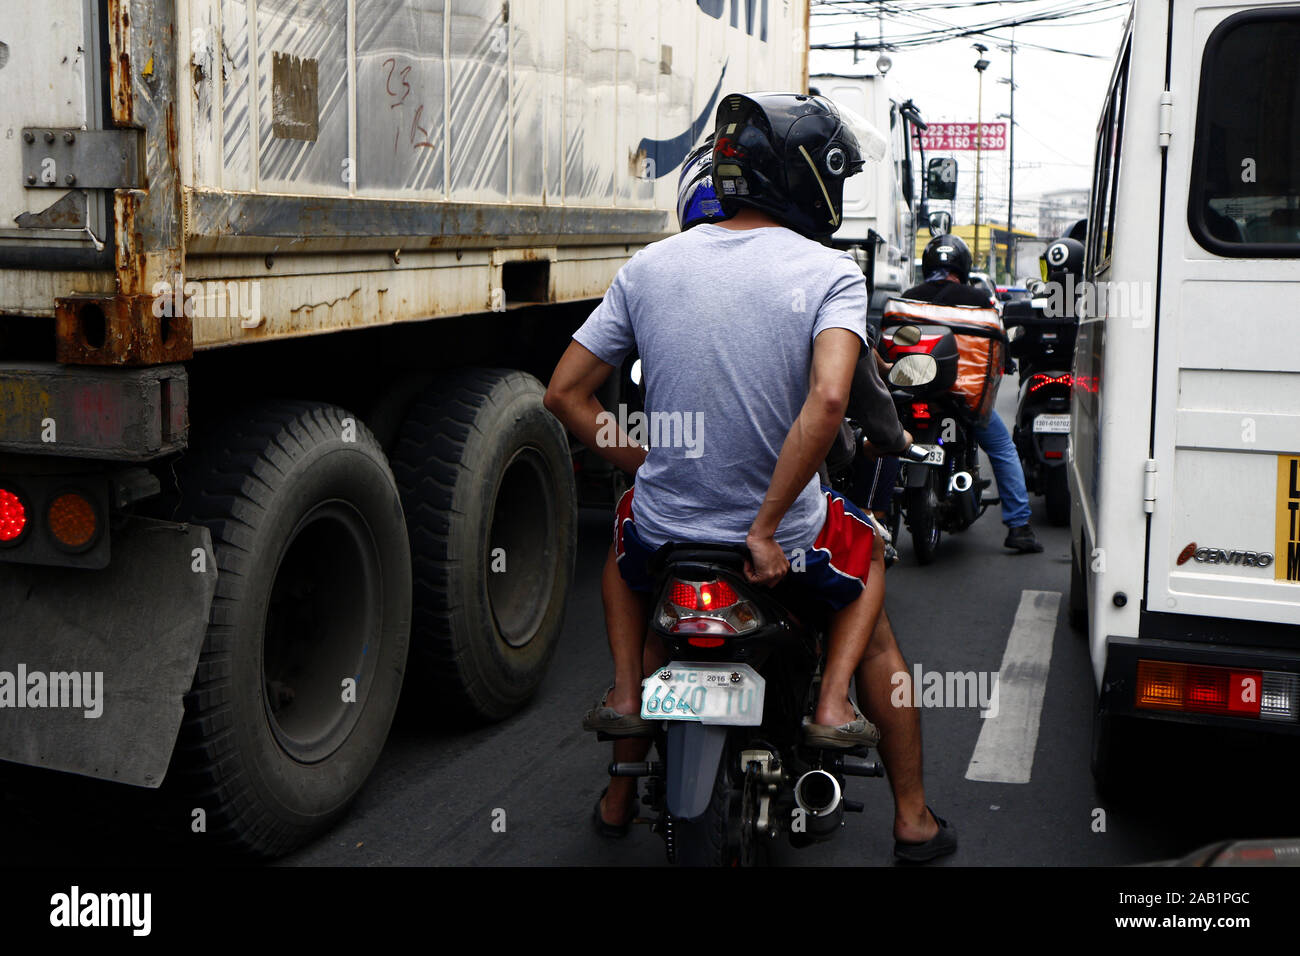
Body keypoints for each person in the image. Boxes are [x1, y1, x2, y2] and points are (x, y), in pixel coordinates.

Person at [544, 93, 956, 861]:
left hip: (669, 535)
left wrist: (641, 460)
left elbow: (564, 393)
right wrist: (764, 527)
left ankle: (627, 713)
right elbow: (834, 398)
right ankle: (893, 792)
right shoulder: (829, 273)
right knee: (865, 560)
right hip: (782, 543)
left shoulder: (649, 266)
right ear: (809, 180)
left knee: (625, 546)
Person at [902, 234, 1044, 554]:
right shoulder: (979, 301)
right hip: (964, 396)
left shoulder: (910, 297)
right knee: (1002, 448)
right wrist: (1005, 364)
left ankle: (877, 514)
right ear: (963, 267)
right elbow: (997, 344)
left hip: (915, 393)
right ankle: (1019, 526)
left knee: (885, 444)